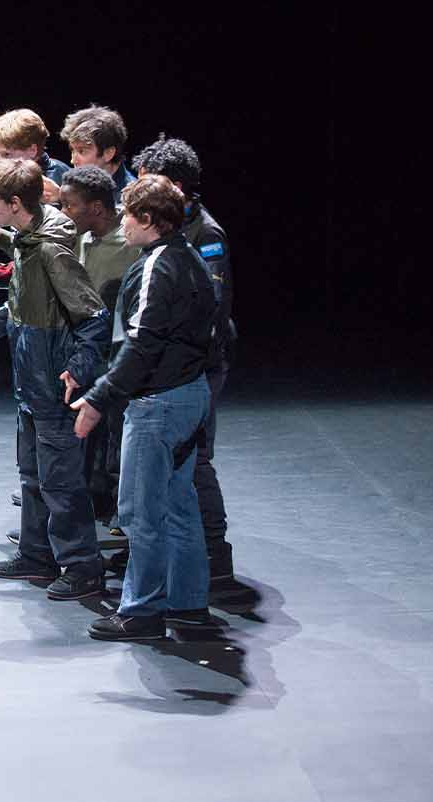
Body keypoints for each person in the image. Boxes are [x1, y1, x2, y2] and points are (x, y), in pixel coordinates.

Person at [72, 175, 217, 641]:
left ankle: (141, 612)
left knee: (140, 512)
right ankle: (189, 605)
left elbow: (142, 342)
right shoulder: (189, 258)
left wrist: (98, 398)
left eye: (128, 214)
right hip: (189, 394)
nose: (122, 223)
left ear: (148, 219)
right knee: (179, 504)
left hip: (159, 403)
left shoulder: (159, 265)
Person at [0, 158, 109, 600]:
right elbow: (29, 307)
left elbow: (94, 317)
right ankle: (38, 554)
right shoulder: (28, 242)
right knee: (32, 474)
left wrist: (77, 369)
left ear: (15, 203)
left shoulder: (49, 250)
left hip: (51, 383)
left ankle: (83, 567)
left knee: (61, 479)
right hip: (31, 381)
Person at [133, 135, 237, 582]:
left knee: (195, 458)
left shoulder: (206, 235)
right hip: (171, 364)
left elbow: (210, 307)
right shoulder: (165, 227)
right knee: (171, 463)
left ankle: (215, 559)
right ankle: (176, 557)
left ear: (175, 186)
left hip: (198, 363)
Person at [57, 164, 137, 525]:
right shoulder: (84, 238)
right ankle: (97, 504)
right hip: (90, 352)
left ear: (98, 209)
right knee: (91, 437)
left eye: (69, 206)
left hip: (121, 357)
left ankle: (128, 521)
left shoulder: (129, 245)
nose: (64, 214)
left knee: (120, 441)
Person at [59, 104, 135, 206]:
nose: (73, 161)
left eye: (82, 151)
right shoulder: (77, 184)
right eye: (72, 150)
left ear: (108, 153)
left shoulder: (131, 198)